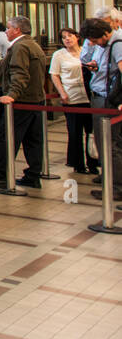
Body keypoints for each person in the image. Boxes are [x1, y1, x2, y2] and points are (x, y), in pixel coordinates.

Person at [0, 15, 47, 190]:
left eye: (8, 28)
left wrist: (13, 94)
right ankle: (33, 174)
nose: (6, 31)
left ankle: (0, 174)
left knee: (8, 137)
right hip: (35, 100)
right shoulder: (33, 44)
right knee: (33, 140)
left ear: (17, 30)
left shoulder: (21, 47)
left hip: (22, 101)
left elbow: (19, 73)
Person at [80, 18, 122, 204]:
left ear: (105, 34)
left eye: (95, 40)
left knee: (110, 144)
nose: (93, 43)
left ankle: (116, 187)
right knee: (104, 142)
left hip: (108, 100)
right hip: (99, 95)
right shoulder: (103, 44)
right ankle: (110, 181)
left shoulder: (117, 44)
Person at [49, 27, 97, 176]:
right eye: (64, 37)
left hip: (89, 96)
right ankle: (78, 164)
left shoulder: (86, 51)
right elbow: (54, 74)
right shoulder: (59, 55)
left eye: (70, 36)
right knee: (75, 132)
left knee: (91, 131)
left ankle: (93, 162)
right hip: (71, 97)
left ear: (77, 37)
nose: (67, 39)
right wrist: (62, 92)